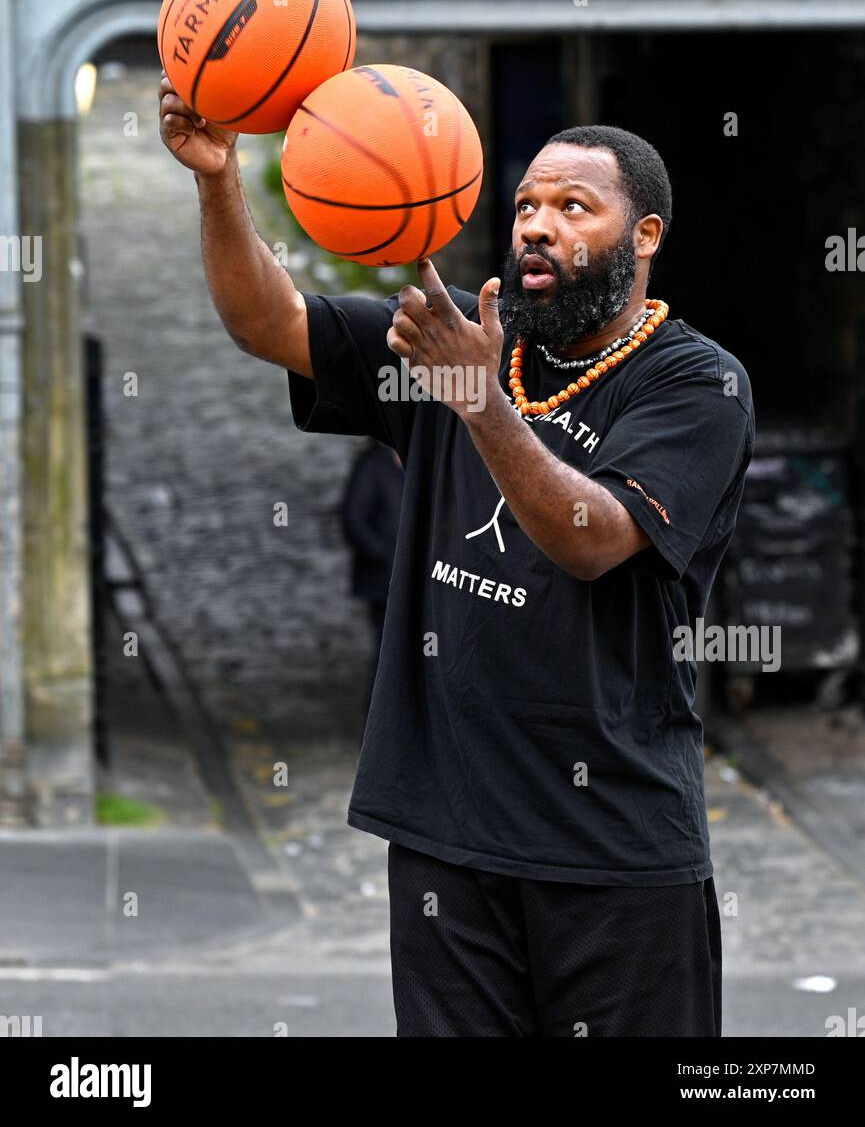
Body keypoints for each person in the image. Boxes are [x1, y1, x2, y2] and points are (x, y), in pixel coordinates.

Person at [160, 78, 755, 1038]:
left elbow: (591, 538)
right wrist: (219, 182)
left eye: (573, 207)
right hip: (447, 841)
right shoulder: (468, 345)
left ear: (643, 236)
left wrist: (476, 400)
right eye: (525, 204)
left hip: (613, 850)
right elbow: (265, 321)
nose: (537, 225)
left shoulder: (695, 383)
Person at [339, 439, 404, 724]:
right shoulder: (372, 464)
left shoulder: (422, 462)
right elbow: (354, 520)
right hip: (382, 582)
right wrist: (385, 555)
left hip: (418, 579)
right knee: (386, 650)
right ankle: (377, 722)